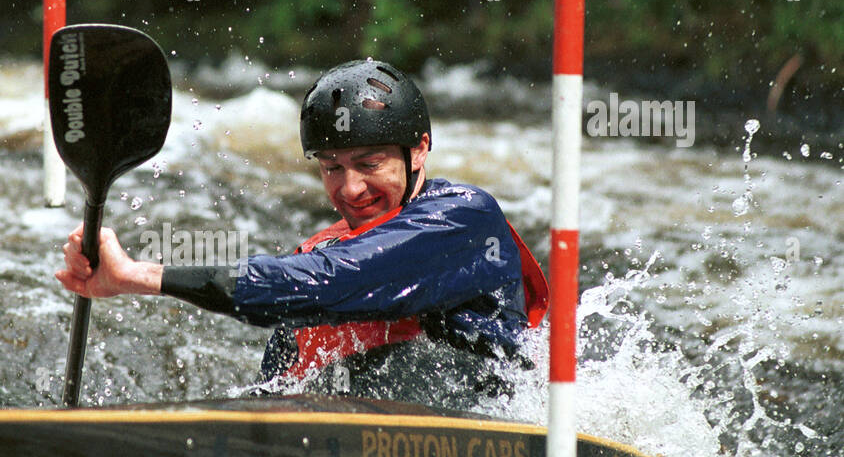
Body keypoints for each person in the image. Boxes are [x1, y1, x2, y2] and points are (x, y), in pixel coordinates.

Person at [55, 59, 548, 406]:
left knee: (398, 361)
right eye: (332, 168)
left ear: (418, 150)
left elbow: (339, 281)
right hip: (358, 439)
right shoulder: (320, 251)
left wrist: (140, 276)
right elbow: (275, 385)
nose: (351, 188)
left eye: (369, 163)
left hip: (477, 424)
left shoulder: (463, 219)